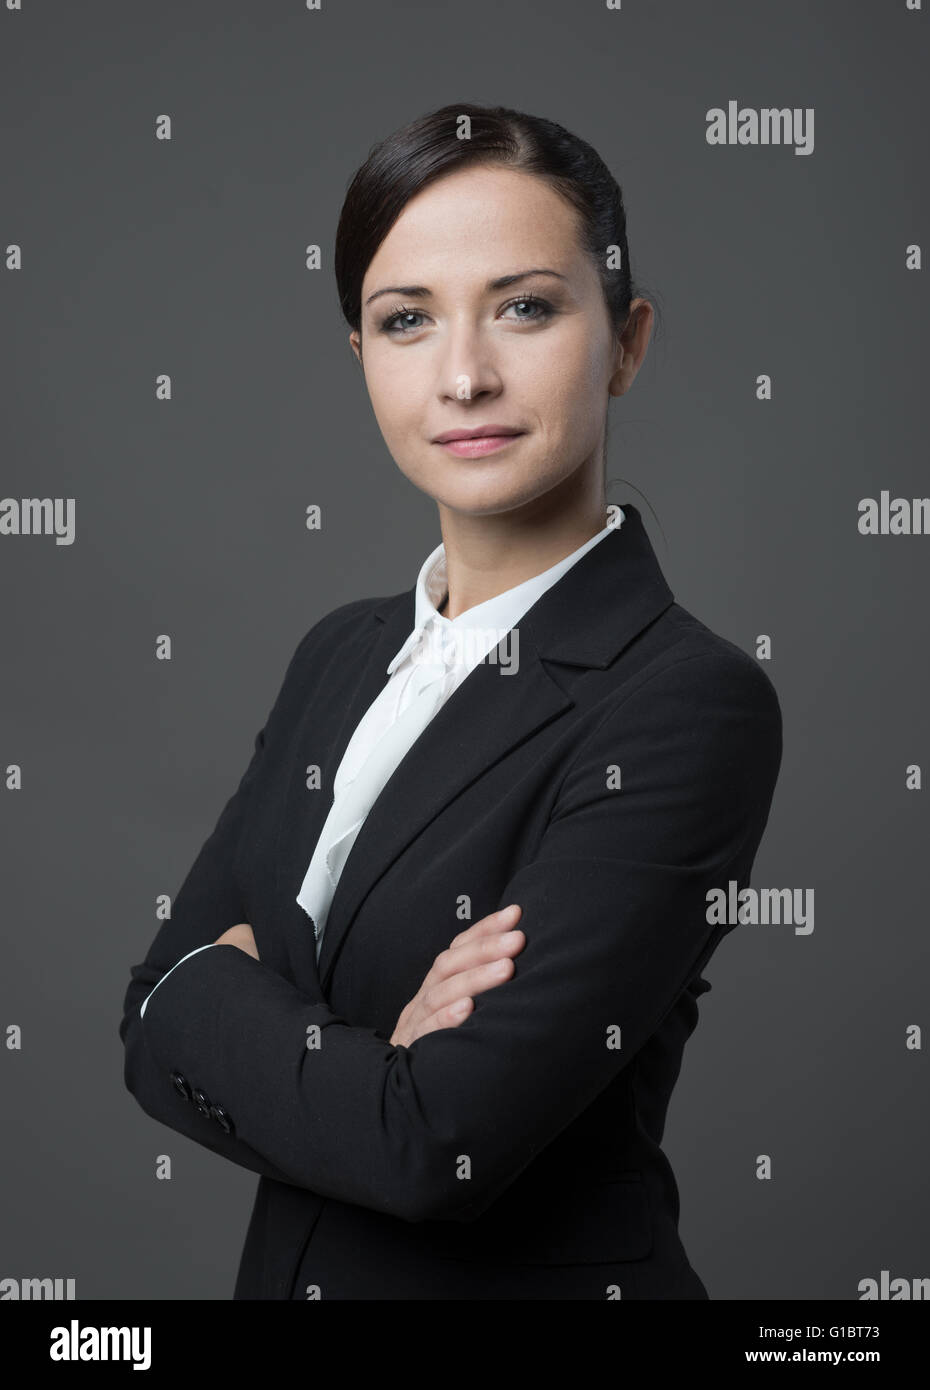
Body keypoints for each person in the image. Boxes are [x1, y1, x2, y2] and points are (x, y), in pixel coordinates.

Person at [119, 102, 782, 1300]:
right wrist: (355, 1051)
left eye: (526, 306)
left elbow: (431, 1141)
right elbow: (142, 1022)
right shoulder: (340, 653)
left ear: (626, 341)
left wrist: (222, 993)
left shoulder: (688, 705)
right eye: (406, 320)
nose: (465, 373)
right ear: (363, 356)